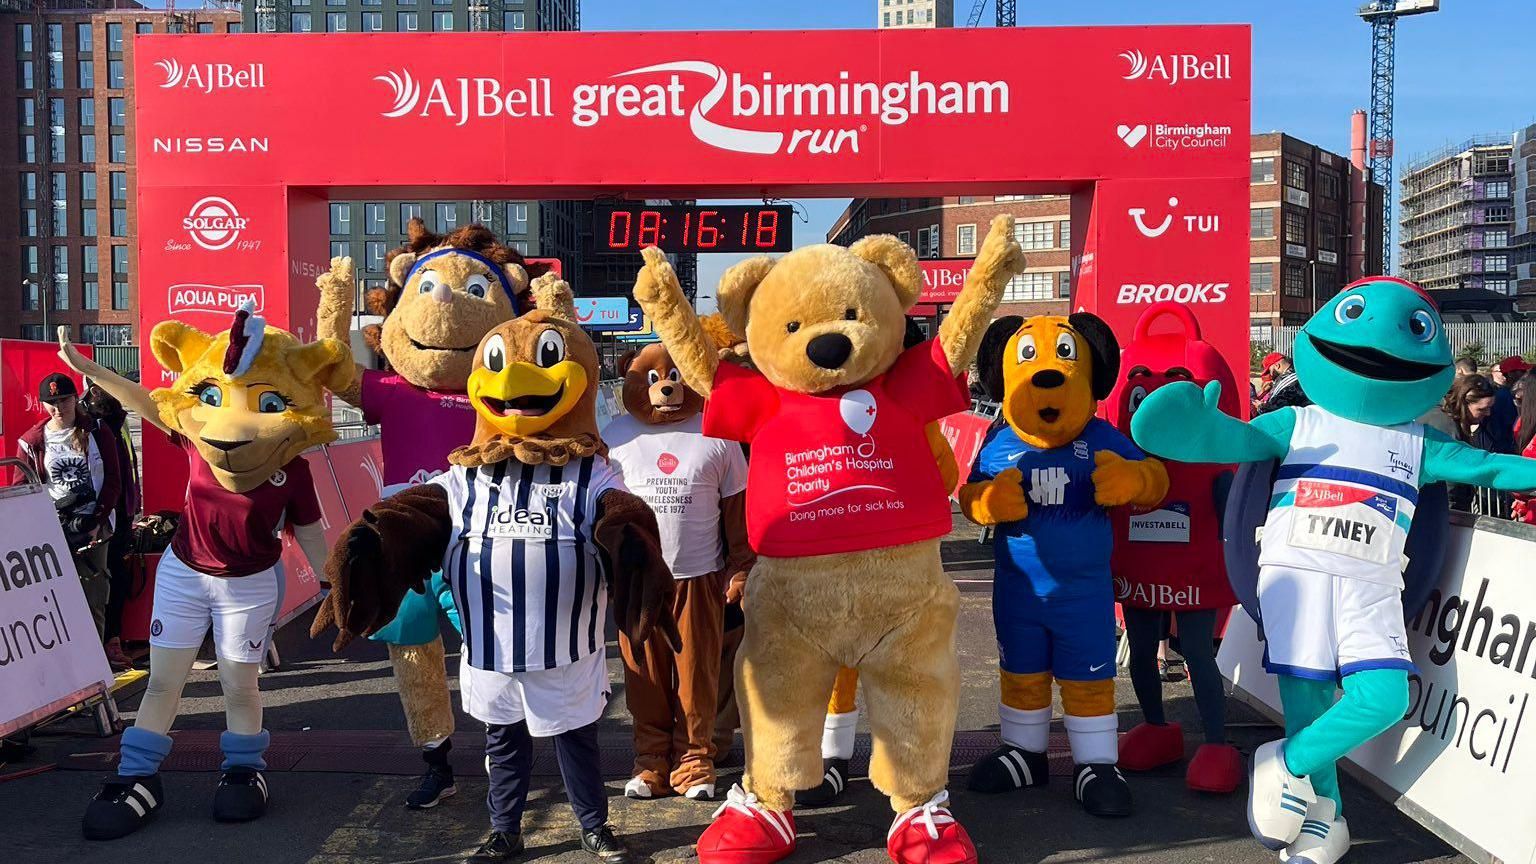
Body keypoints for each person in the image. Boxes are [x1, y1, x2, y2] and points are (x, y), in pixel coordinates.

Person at [16, 372, 121, 641]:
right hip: (53, 530)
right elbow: (22, 491)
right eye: (51, 402)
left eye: (64, 400)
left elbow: (113, 481)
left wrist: (97, 523)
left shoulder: (97, 431)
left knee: (93, 600)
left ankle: (96, 671)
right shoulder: (32, 441)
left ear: (75, 399)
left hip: (93, 527)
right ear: (42, 404)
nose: (58, 408)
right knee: (54, 602)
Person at [82, 383, 140, 671]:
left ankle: (112, 640)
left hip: (121, 510)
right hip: (101, 513)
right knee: (100, 581)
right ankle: (101, 644)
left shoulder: (119, 419)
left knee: (117, 578)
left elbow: (129, 464)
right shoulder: (91, 424)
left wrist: (133, 505)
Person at [1488, 355, 1529, 446]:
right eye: (1522, 371)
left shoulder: (1510, 394)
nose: (1526, 373)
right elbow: (1508, 425)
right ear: (1510, 374)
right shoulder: (1504, 396)